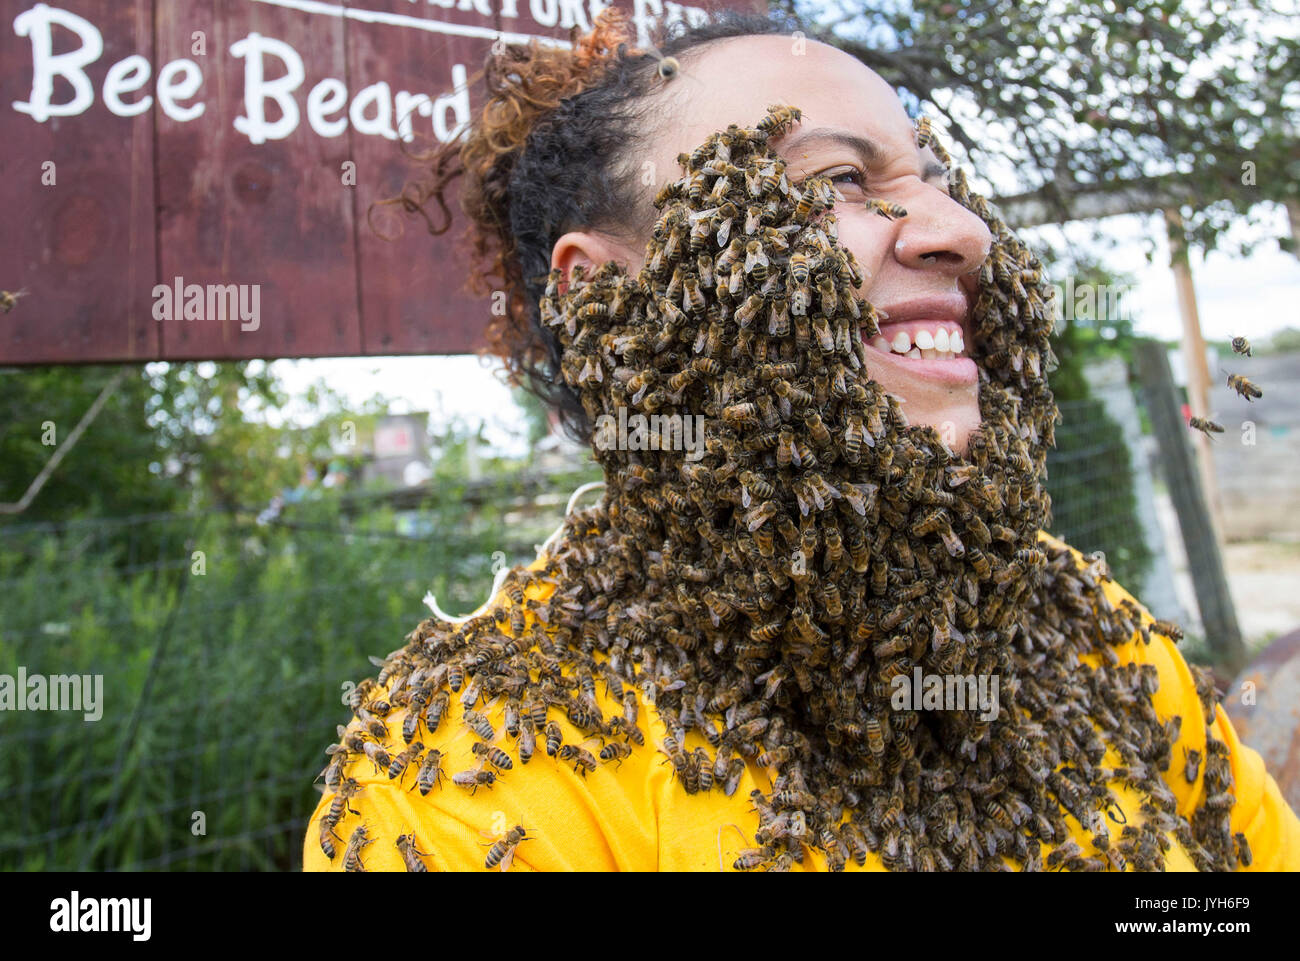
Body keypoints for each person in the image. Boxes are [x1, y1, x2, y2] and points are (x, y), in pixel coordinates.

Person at [304, 10, 1300, 871]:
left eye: (936, 178)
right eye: (835, 181)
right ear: (603, 295)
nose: (960, 230)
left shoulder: (1099, 639)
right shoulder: (461, 778)